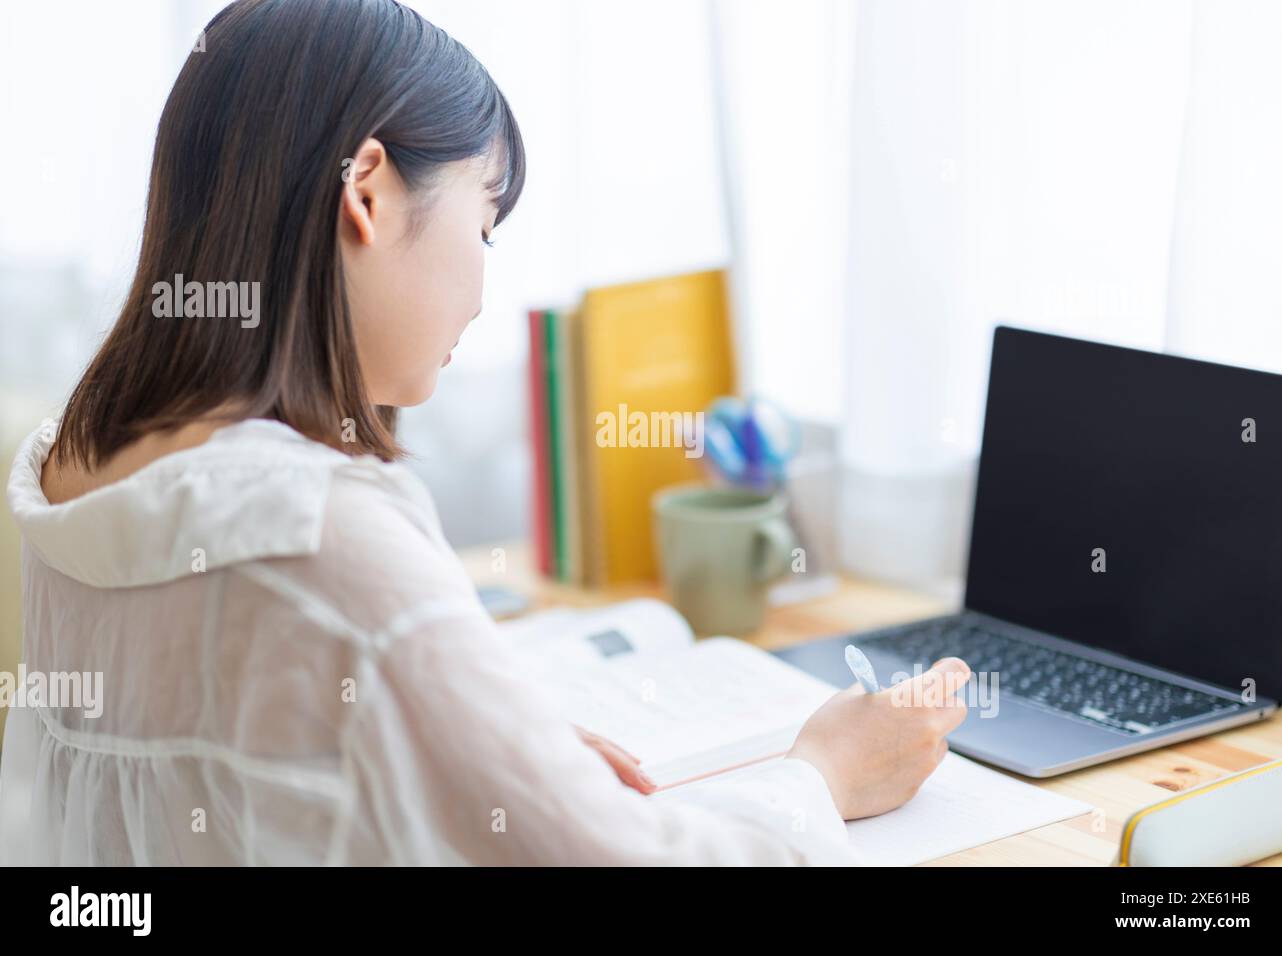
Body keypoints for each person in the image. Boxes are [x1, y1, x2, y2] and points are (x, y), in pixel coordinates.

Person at [2, 0, 969, 865]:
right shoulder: (318, 531)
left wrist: (474, 755)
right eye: (486, 223)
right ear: (367, 192)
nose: (482, 283)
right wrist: (823, 776)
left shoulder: (71, 461)